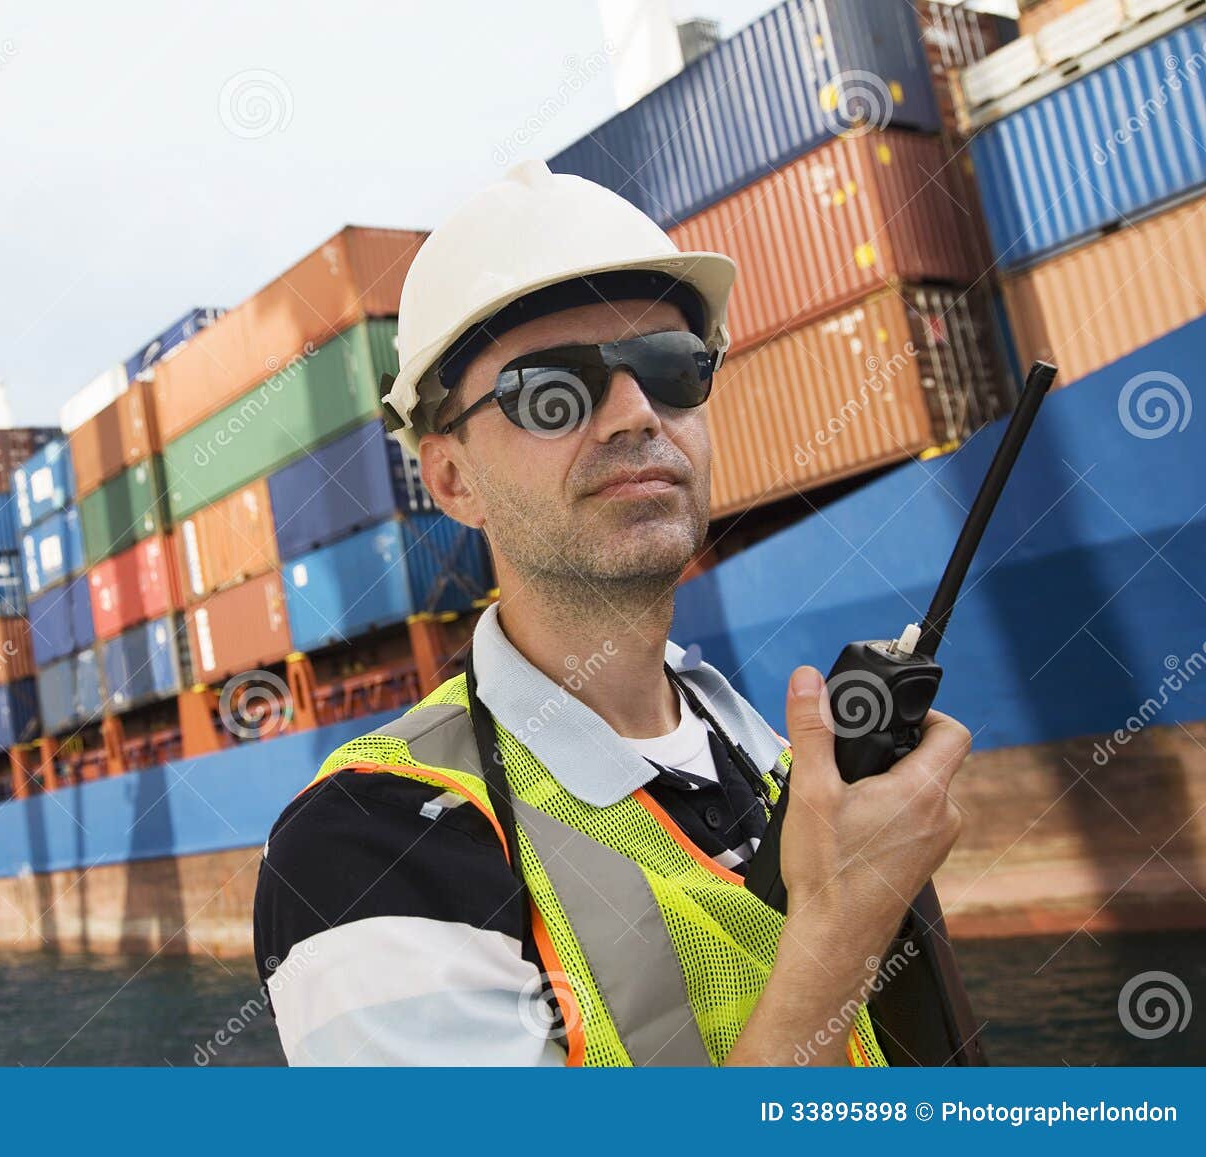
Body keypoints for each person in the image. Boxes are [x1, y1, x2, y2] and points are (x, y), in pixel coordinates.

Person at [252, 161, 971, 1066]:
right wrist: (840, 927)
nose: (635, 414)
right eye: (550, 388)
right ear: (451, 479)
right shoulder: (369, 840)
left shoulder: (777, 757)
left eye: (671, 370)